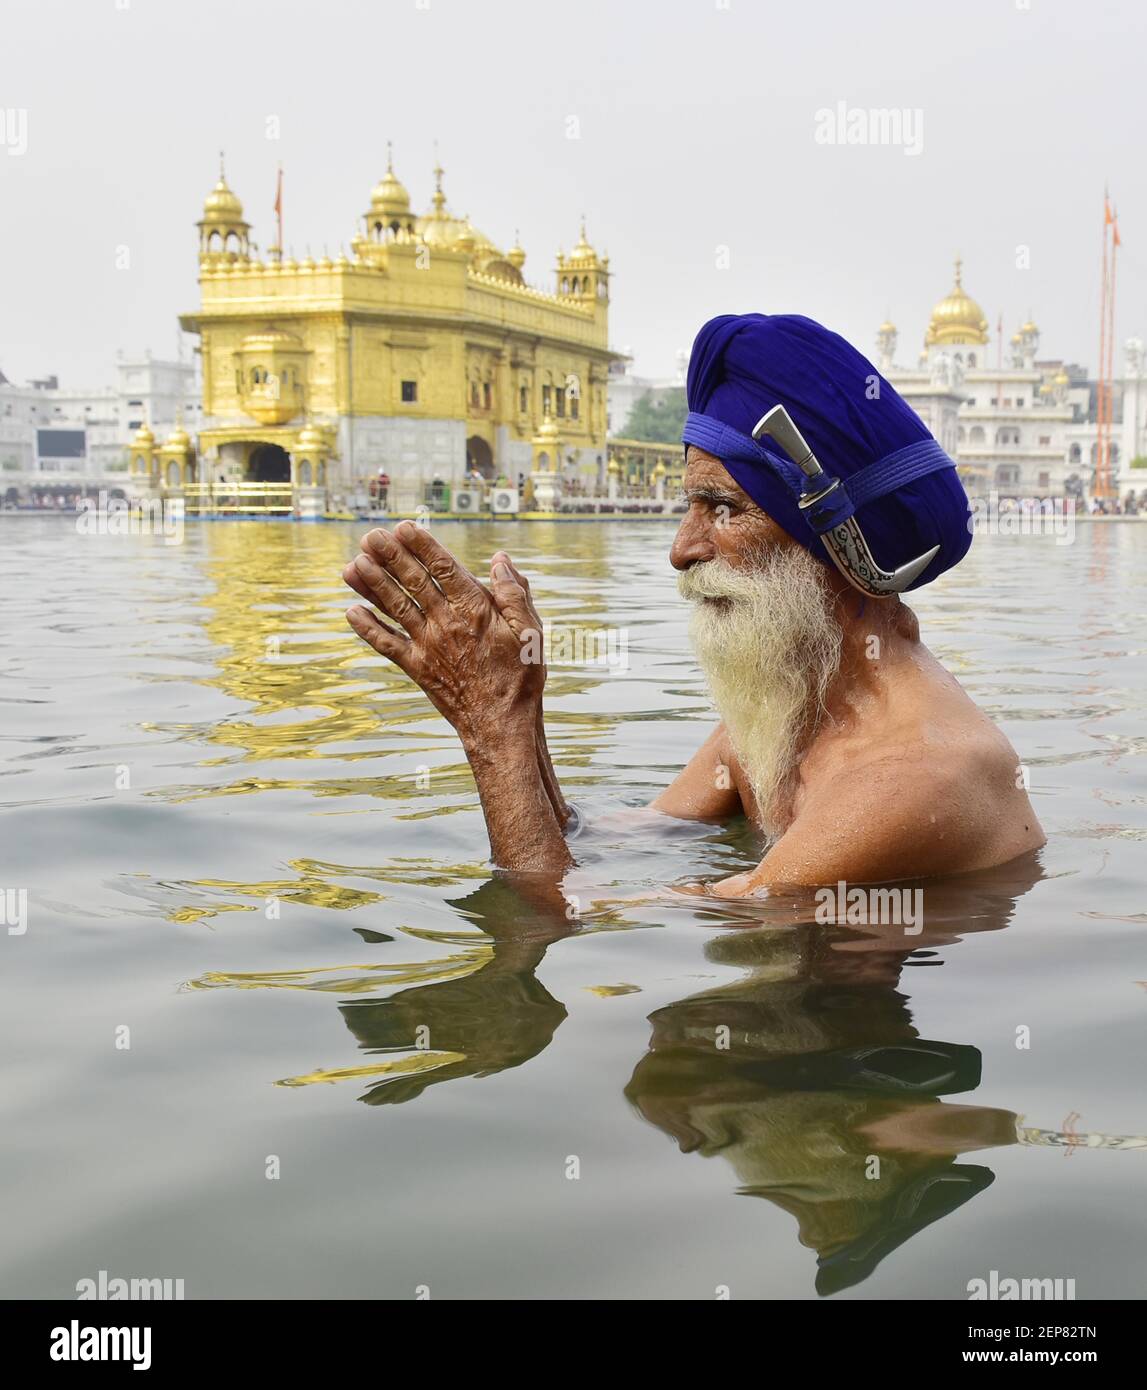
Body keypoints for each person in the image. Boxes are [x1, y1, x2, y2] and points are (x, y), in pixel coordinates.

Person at [342, 313, 1044, 891]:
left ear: (836, 543)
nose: (680, 549)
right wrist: (516, 712)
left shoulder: (911, 781)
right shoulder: (794, 706)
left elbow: (568, 918)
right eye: (689, 507)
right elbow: (605, 846)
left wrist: (489, 729)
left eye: (721, 508)